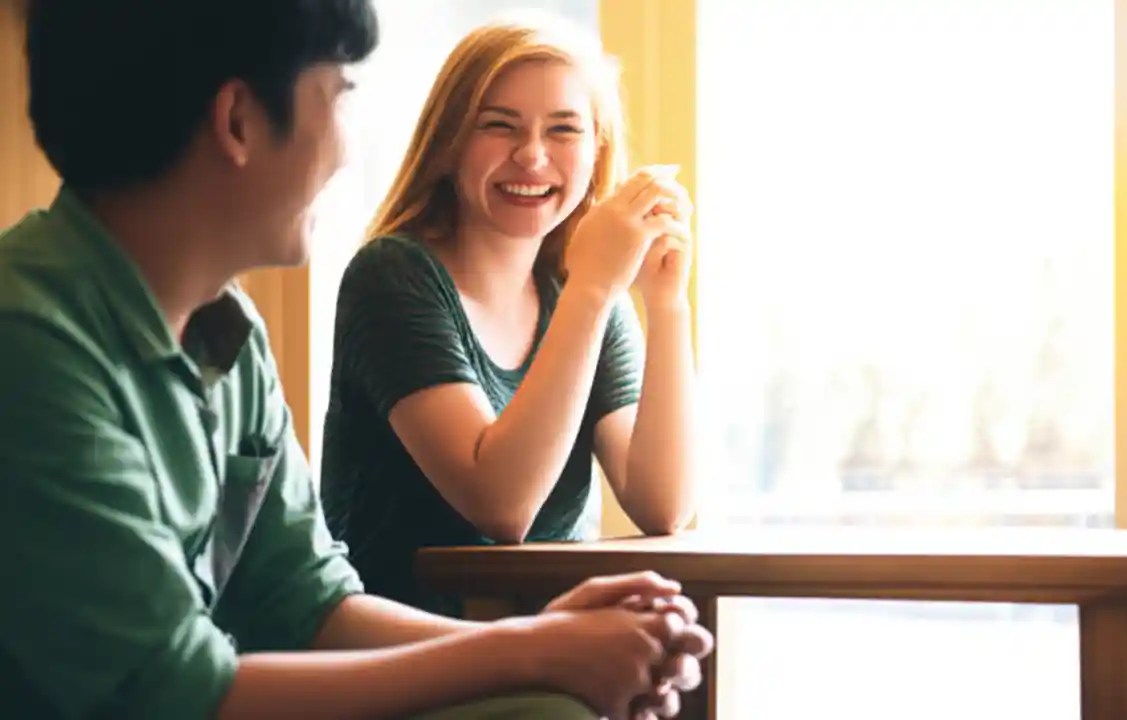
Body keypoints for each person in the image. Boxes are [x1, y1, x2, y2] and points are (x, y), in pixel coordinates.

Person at [0, 2, 711, 719]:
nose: (346, 152)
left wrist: (547, 644)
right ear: (240, 121)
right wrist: (533, 651)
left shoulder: (227, 330)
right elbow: (169, 691)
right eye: (339, 95)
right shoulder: (28, 342)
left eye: (563, 129)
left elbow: (308, 601)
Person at [319, 13, 698, 615]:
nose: (532, 155)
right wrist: (596, 288)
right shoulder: (392, 276)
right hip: (408, 663)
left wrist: (667, 302)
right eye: (499, 127)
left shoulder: (581, 295)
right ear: (447, 145)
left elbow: (663, 504)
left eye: (564, 131)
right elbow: (501, 505)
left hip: (545, 646)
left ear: (596, 152)